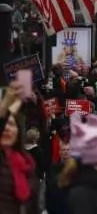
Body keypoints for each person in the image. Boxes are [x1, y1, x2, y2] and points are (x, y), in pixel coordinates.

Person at [0, 83, 38, 214]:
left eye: (11, 124)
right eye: (4, 124)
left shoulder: (27, 162)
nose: (6, 128)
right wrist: (5, 106)